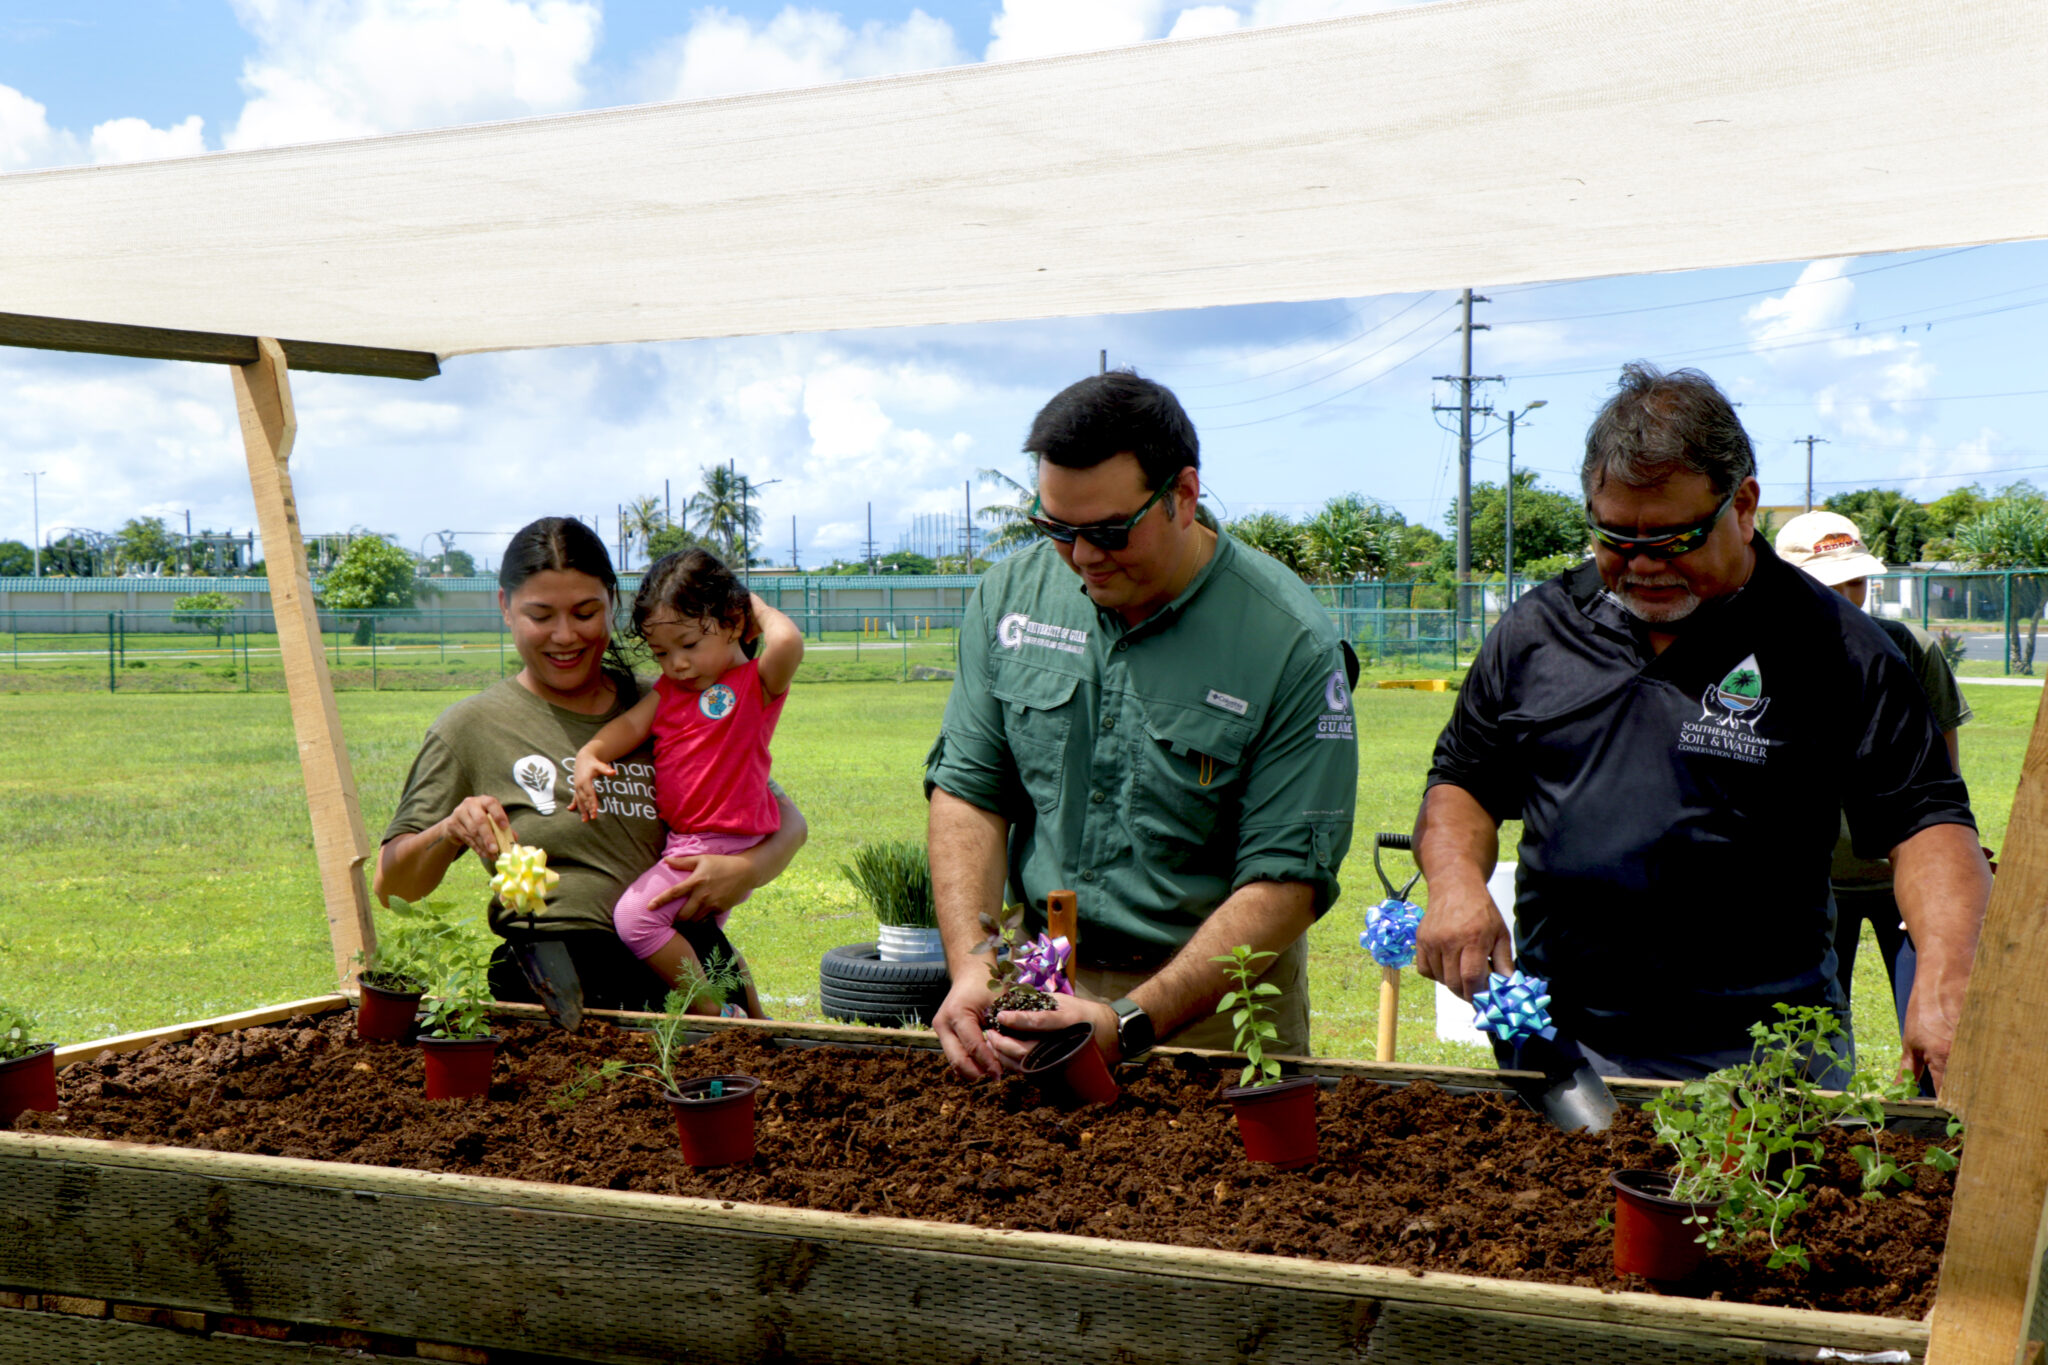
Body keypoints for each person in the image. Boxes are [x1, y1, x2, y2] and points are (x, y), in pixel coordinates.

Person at [1414, 364, 1989, 1089]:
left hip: (1766, 1058)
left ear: (1743, 506)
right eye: (1615, 538)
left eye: (1674, 537)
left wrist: (1945, 970)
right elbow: (1464, 777)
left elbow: (1926, 819)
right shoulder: (1539, 630)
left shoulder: (1837, 648)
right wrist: (1456, 883)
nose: (1644, 564)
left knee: (1758, 1201)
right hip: (1561, 1046)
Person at [924, 371, 1358, 1080]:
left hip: (1219, 1013)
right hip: (1039, 987)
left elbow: (1286, 881)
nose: (1084, 556)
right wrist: (976, 963)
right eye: (1057, 529)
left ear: (1183, 495)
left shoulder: (1288, 642)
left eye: (1108, 530)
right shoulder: (1012, 597)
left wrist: (1127, 1020)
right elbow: (971, 789)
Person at [375, 517, 807, 1015]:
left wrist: (745, 870)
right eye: (541, 615)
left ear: (612, 605)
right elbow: (393, 887)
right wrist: (449, 829)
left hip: (689, 958)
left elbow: (789, 824)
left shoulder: (671, 701)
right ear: (505, 609)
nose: (564, 635)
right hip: (564, 979)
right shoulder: (471, 727)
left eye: (585, 612)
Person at [570, 549, 802, 1015]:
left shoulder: (752, 684)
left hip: (720, 841)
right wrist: (590, 754)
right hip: (689, 840)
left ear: (734, 621)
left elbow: (788, 641)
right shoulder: (669, 692)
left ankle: (715, 1015)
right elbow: (630, 728)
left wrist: (751, 604)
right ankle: (757, 1021)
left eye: (690, 645)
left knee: (635, 919)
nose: (676, 663)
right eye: (661, 652)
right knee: (704, 940)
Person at [1772, 510, 1973, 1035]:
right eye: (1830, 583)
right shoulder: (1758, 659)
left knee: (1939, 1039)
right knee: (1806, 1052)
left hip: (1903, 882)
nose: (1848, 595)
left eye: (1856, 579)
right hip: (1805, 891)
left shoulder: (1910, 648)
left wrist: (1944, 880)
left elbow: (1943, 781)